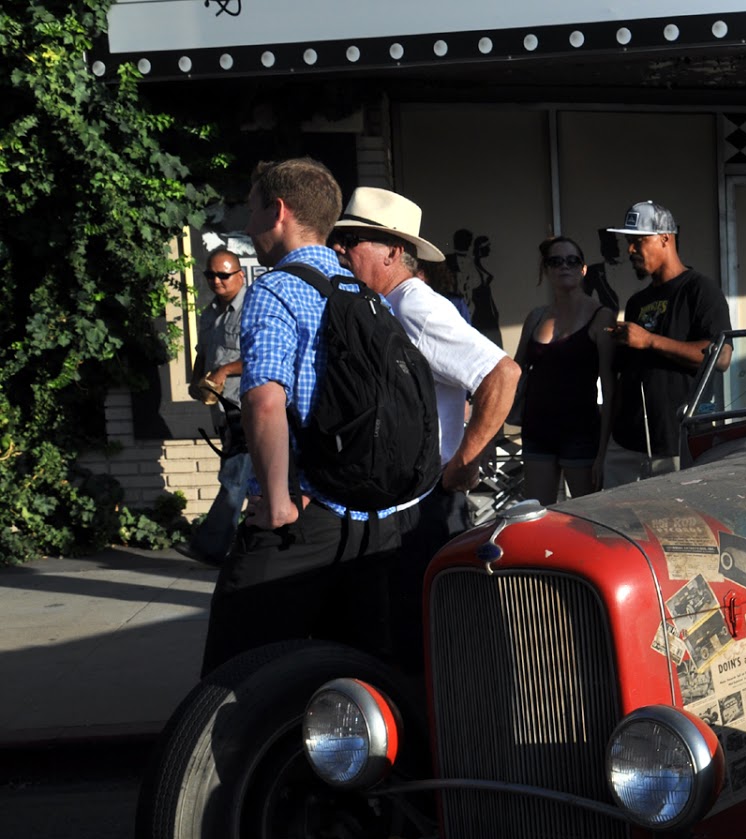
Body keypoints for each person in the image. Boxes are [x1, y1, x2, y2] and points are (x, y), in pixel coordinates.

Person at [202, 158, 421, 675]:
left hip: (301, 517)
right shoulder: (362, 293)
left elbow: (264, 399)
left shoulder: (275, 289)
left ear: (278, 211)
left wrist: (277, 502)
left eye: (252, 209)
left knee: (234, 680)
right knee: (353, 683)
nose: (248, 225)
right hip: (372, 522)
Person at [328, 187, 521, 667]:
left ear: (393, 252)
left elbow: (502, 373)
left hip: (425, 505)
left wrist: (464, 460)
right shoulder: (384, 306)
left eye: (352, 240)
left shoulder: (414, 305)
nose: (339, 249)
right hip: (403, 502)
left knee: (422, 640)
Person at [604, 200, 731, 486]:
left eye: (638, 241)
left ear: (665, 238)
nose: (630, 250)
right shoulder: (637, 302)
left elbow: (721, 357)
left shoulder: (700, 290)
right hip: (626, 443)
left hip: (675, 445)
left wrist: (649, 341)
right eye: (628, 241)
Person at [513, 235, 616, 503]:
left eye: (572, 261)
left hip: (580, 432)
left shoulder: (601, 316)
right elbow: (514, 373)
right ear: (546, 269)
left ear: (583, 269)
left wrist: (604, 453)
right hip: (537, 430)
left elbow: (609, 386)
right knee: (536, 517)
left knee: (587, 519)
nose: (564, 266)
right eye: (555, 261)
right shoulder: (536, 317)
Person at [179, 248, 248, 564]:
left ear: (240, 275)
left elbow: (263, 356)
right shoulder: (210, 312)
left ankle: (211, 547)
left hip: (247, 406)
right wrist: (196, 379)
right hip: (221, 409)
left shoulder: (252, 308)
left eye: (224, 275)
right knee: (239, 477)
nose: (217, 281)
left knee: (234, 479)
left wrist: (223, 371)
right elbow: (203, 352)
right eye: (211, 275)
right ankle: (242, 545)